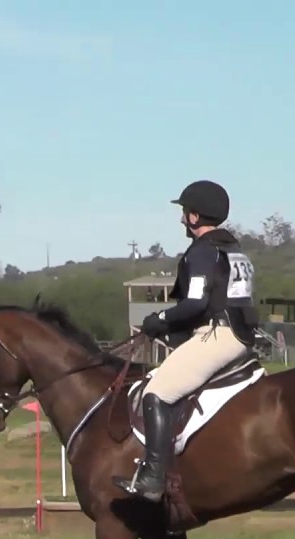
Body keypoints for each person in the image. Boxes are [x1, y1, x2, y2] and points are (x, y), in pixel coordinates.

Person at [114, 180, 261, 502]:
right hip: (239, 334)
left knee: (155, 393)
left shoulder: (203, 251)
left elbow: (195, 303)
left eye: (185, 213)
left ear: (195, 217)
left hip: (217, 335)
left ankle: (152, 477)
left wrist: (160, 319)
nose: (182, 219)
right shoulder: (233, 250)